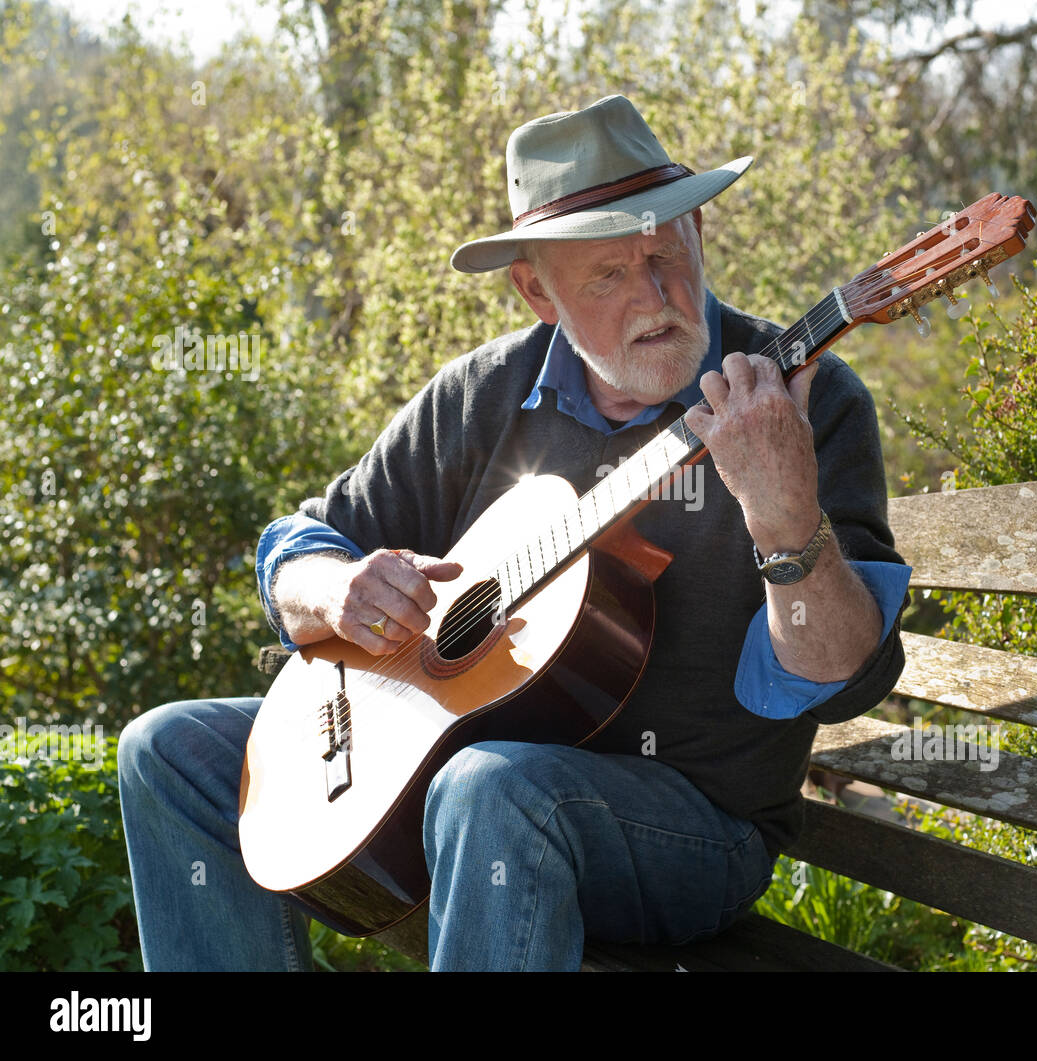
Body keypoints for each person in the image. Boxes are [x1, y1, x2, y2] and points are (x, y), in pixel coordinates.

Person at [118, 94, 912, 972]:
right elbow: (294, 542)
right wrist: (336, 589)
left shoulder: (801, 401)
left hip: (693, 825)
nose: (654, 296)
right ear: (537, 290)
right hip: (456, 774)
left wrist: (785, 518)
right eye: (607, 275)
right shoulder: (481, 395)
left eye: (664, 252)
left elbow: (846, 679)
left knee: (494, 788)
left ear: (699, 233)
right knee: (169, 750)